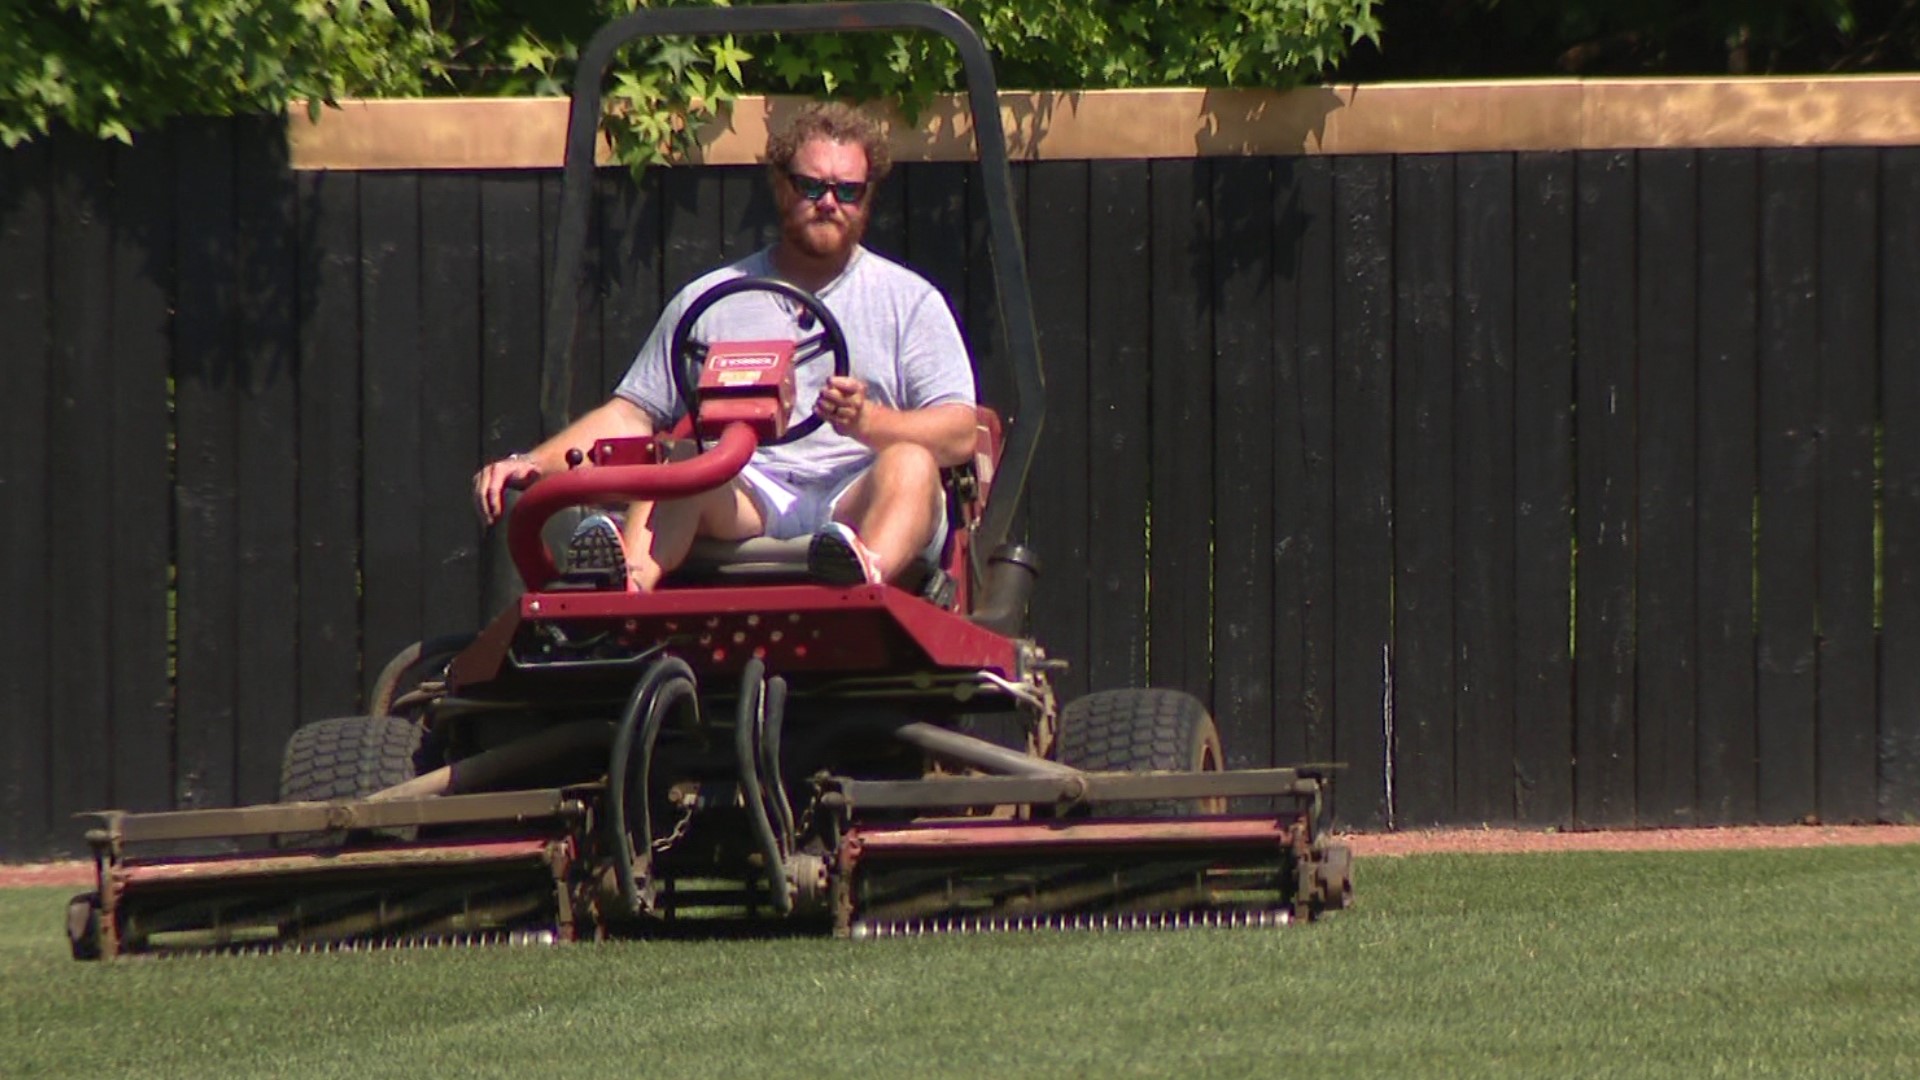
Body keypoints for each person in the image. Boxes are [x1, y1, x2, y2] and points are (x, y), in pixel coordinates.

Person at [472, 102, 977, 590]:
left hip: (857, 492)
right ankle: (626, 585)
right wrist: (535, 463)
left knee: (911, 461)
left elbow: (959, 434)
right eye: (811, 186)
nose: (829, 203)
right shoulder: (712, 301)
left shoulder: (909, 301)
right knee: (684, 460)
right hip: (746, 489)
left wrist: (870, 422)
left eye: (847, 190)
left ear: (867, 199)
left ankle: (861, 573)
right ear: (781, 186)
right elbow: (632, 415)